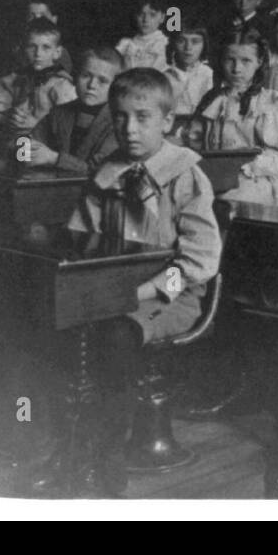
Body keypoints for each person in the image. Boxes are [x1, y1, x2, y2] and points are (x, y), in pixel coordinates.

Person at [60, 68, 223, 494]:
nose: (129, 128)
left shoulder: (185, 174)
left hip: (173, 294)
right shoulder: (106, 174)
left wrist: (140, 291)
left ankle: (107, 459)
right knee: (58, 325)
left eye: (143, 117)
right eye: (119, 117)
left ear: (167, 121)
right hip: (111, 288)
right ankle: (65, 447)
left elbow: (199, 261)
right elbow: (84, 241)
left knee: (116, 335)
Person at [0, 18, 77, 156]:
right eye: (32, 46)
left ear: (57, 52)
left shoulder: (62, 86)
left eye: (46, 47)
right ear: (24, 48)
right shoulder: (16, 79)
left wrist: (37, 125)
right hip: (15, 145)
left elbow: (69, 128)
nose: (38, 54)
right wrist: (4, 118)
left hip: (47, 150)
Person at [26, 47, 123, 174]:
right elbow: (30, 140)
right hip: (54, 188)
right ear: (75, 77)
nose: (92, 85)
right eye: (86, 76)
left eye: (102, 80)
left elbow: (101, 172)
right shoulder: (59, 112)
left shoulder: (119, 122)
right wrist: (23, 151)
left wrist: (55, 159)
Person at [164, 18, 214, 120]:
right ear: (173, 43)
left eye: (195, 41)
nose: (188, 48)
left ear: (204, 45)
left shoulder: (209, 75)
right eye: (181, 41)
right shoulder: (165, 75)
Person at [116, 0, 170, 71]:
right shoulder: (126, 44)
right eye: (141, 14)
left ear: (162, 18)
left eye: (152, 15)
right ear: (135, 16)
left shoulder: (166, 43)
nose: (146, 20)